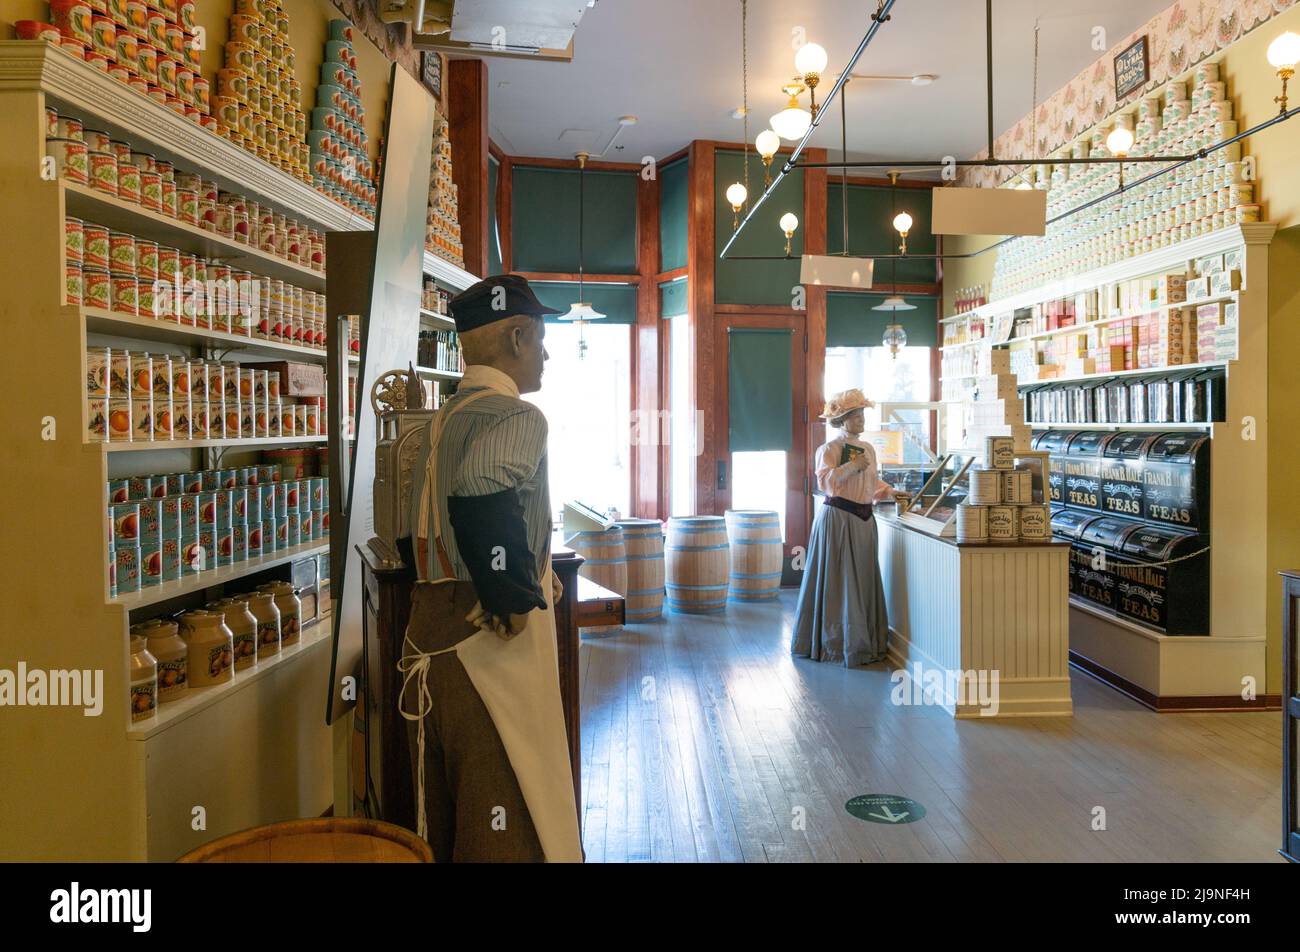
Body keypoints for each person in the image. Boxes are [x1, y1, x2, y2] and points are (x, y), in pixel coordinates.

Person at [400, 273, 582, 863]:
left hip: (431, 632)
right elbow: (481, 484)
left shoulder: (441, 419)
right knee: (504, 814)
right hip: (485, 638)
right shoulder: (518, 416)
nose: (547, 354)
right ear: (517, 337)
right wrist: (507, 595)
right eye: (542, 339)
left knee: (442, 816)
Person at [791, 388, 896, 667]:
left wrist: (890, 491)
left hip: (864, 521)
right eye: (856, 415)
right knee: (839, 582)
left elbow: (872, 483)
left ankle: (865, 640)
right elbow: (825, 483)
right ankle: (837, 644)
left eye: (862, 415)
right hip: (838, 519)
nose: (862, 420)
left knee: (861, 580)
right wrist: (852, 467)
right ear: (843, 419)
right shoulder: (830, 449)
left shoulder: (869, 449)